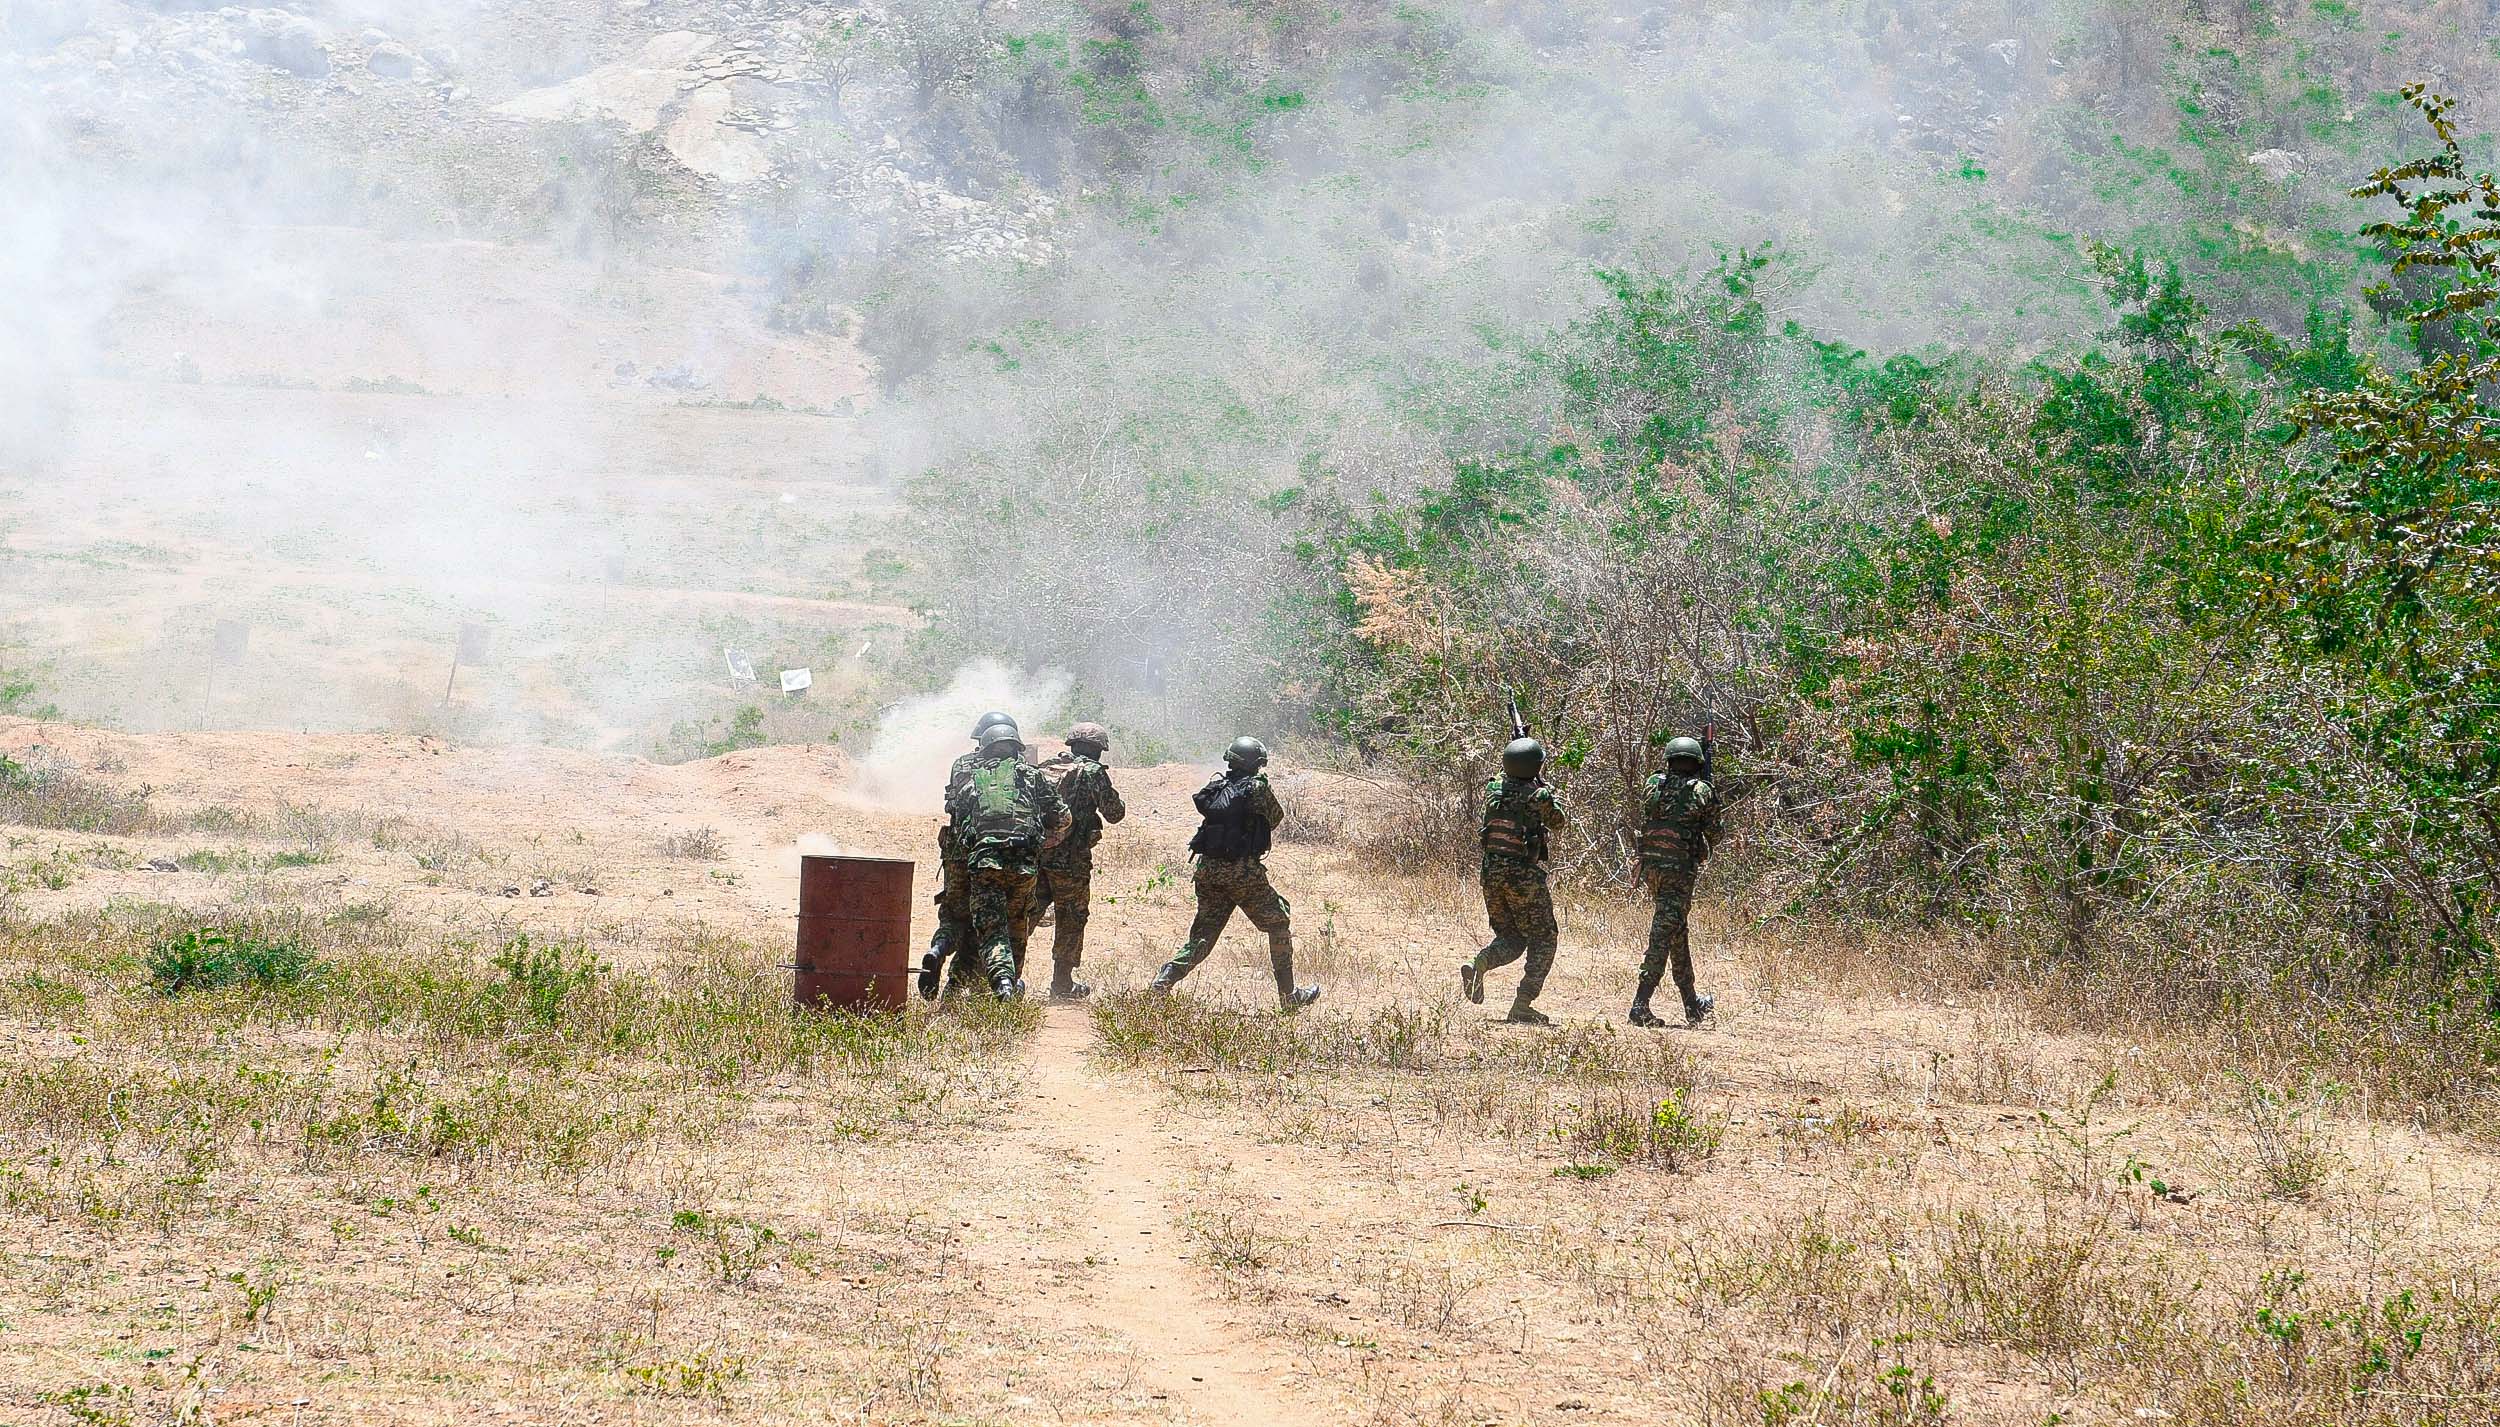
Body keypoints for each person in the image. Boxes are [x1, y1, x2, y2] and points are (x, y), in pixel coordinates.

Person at [1148, 736, 1320, 1011]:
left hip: (1208, 871)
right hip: (1242, 873)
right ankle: (1289, 996)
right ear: (1256, 763)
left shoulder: (1217, 787)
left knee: (1202, 936)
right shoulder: (1256, 787)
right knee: (1278, 921)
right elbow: (1276, 817)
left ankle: (1164, 979)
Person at [944, 717, 1069, 999]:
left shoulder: (971, 782)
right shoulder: (1033, 777)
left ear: (986, 749)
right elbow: (1063, 817)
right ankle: (1011, 982)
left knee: (992, 929)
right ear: (1016, 748)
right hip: (1024, 865)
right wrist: (1046, 838)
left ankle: (1001, 982)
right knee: (1017, 925)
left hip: (985, 864)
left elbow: (959, 830)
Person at [1459, 736, 1566, 1025]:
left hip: (1491, 874)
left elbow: (1508, 779)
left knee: (1512, 938)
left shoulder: (1493, 788)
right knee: (1544, 939)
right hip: (1522, 877)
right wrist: (1544, 789)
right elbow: (1558, 822)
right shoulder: (1538, 796)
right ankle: (1522, 1004)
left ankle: (1477, 964)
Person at [919, 709, 1017, 999]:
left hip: (957, 851)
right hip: (992, 854)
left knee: (954, 915)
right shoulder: (1015, 769)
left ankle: (938, 950)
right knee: (988, 921)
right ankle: (972, 983)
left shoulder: (961, 764)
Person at [1033, 722, 1126, 1002]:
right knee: (1071, 918)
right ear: (1098, 749)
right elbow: (1115, 813)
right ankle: (1062, 983)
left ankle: (1004, 976)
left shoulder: (1047, 767)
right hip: (1071, 861)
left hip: (1038, 855)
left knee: (1025, 914)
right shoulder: (1093, 772)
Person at [1633, 735, 1720, 1028]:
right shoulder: (1702, 790)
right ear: (1697, 764)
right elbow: (1716, 834)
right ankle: (1640, 1005)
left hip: (1652, 869)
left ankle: (1692, 1004)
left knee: (1676, 931)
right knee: (1663, 933)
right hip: (1679, 872)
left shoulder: (1653, 784)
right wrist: (1708, 789)